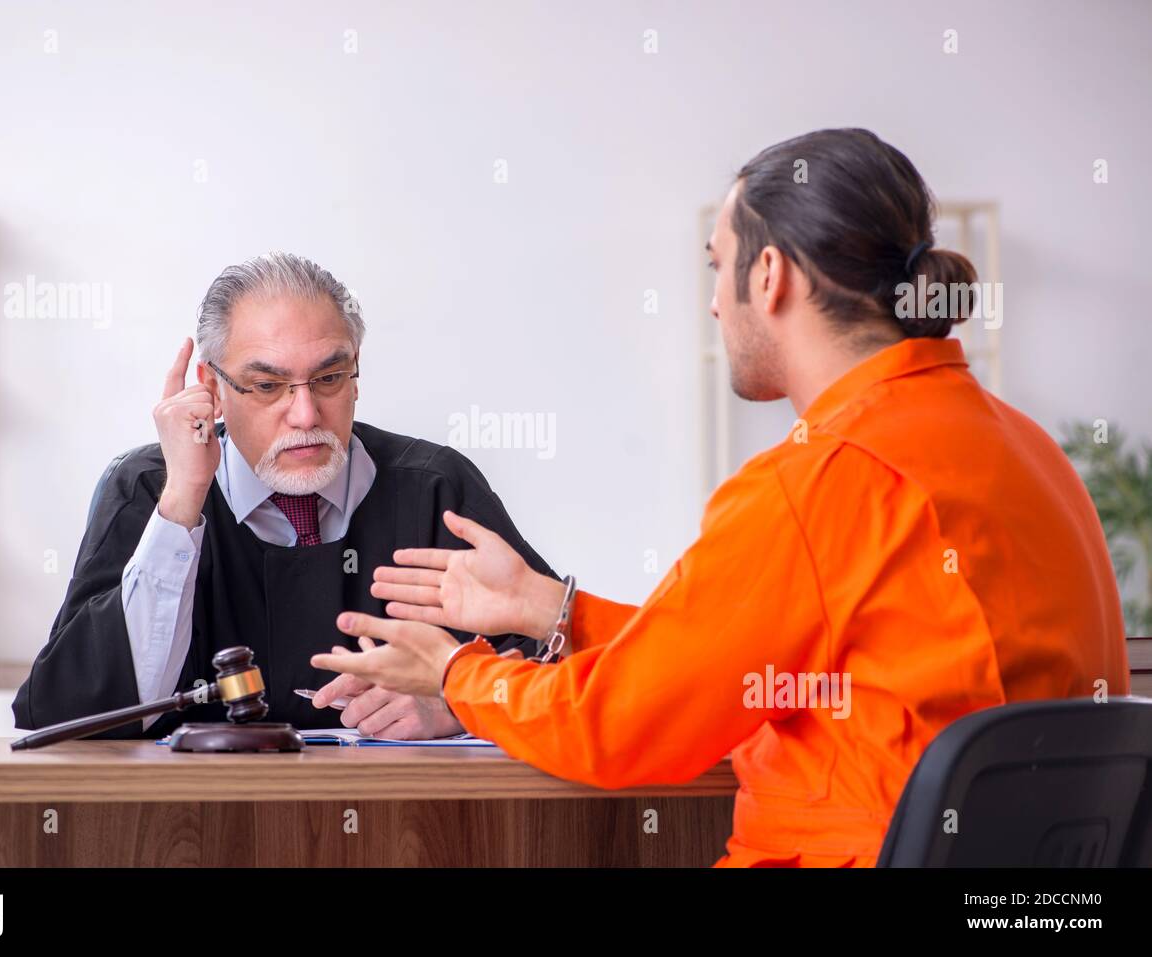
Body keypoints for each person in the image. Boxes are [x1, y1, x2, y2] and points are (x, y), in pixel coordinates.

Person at [311, 128, 1131, 866]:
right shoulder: (1028, 451)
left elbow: (618, 729)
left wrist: (456, 671)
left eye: (717, 263)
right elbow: (753, 667)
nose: (711, 300)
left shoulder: (822, 478)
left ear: (768, 274)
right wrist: (550, 609)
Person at [13, 252, 553, 739]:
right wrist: (184, 499)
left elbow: (564, 666)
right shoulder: (150, 488)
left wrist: (458, 703)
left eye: (329, 378)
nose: (305, 415)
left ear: (357, 374)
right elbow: (65, 716)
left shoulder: (434, 487)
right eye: (268, 386)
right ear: (213, 389)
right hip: (196, 829)